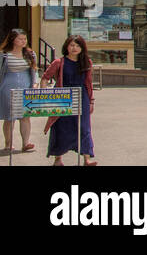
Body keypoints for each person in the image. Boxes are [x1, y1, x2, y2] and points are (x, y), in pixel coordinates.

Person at [41, 36, 95, 166]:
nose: (74, 48)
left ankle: (87, 158)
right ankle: (58, 159)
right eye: (71, 45)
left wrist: (91, 100)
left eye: (77, 45)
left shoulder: (87, 62)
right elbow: (45, 78)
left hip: (82, 97)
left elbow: (88, 82)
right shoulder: (59, 62)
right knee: (61, 127)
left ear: (82, 48)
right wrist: (45, 96)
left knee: (84, 127)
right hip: (62, 97)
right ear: (66, 47)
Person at [1, 29, 38, 154]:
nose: (23, 41)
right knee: (9, 117)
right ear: (13, 40)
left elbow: (34, 70)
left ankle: (25, 143)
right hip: (8, 87)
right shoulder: (4, 55)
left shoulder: (30, 54)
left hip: (25, 87)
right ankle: (8, 143)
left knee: (25, 116)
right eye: (20, 39)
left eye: (25, 39)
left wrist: (34, 83)